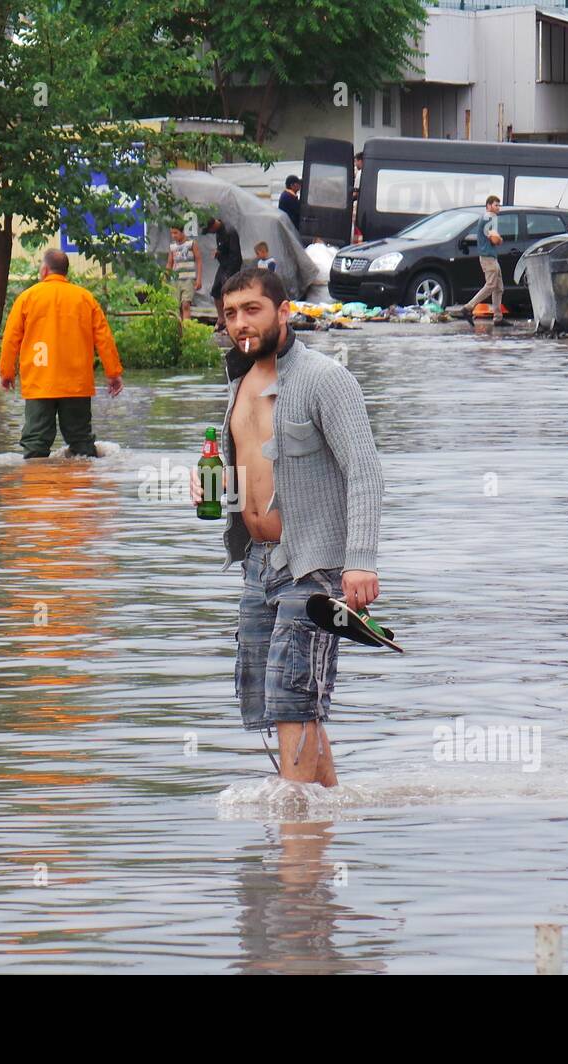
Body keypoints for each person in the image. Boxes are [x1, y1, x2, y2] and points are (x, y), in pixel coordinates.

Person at [189, 267, 384, 786]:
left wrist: (361, 560)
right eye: (230, 314)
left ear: (284, 311)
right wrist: (215, 489)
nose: (239, 323)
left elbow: (364, 469)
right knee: (282, 701)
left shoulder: (325, 378)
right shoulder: (239, 383)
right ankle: (319, 823)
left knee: (293, 693)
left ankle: (296, 835)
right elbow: (253, 471)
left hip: (315, 562)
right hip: (258, 562)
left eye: (251, 309)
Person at [0, 248, 123, 459]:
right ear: (65, 272)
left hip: (40, 382)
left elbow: (11, 339)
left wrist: (6, 373)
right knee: (81, 443)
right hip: (76, 383)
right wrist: (113, 373)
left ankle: (38, 487)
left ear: (45, 270)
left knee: (36, 443)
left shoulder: (28, 298)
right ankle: (81, 488)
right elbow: (104, 338)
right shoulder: (84, 298)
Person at [456, 195, 509, 326]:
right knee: (491, 285)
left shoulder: (485, 217)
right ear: (488, 205)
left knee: (498, 287)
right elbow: (494, 239)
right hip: (488, 257)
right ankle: (468, 308)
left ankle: (498, 317)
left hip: (490, 257)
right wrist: (500, 240)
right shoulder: (490, 217)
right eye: (496, 205)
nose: (498, 208)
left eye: (499, 205)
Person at [206, 217, 243, 332]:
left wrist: (230, 273)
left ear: (214, 226)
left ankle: (232, 320)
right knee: (216, 291)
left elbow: (235, 255)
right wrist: (219, 252)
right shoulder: (219, 232)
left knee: (228, 294)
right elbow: (223, 248)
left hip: (231, 267)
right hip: (223, 265)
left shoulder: (229, 232)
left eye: (210, 230)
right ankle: (221, 319)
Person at [166, 225, 202, 321]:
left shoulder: (191, 244)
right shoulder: (172, 246)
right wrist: (165, 277)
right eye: (172, 233)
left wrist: (198, 279)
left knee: (185, 304)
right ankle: (177, 329)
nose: (173, 236)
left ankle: (187, 330)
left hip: (188, 279)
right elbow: (170, 263)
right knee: (174, 306)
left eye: (176, 233)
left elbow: (198, 260)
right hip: (175, 280)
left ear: (182, 232)